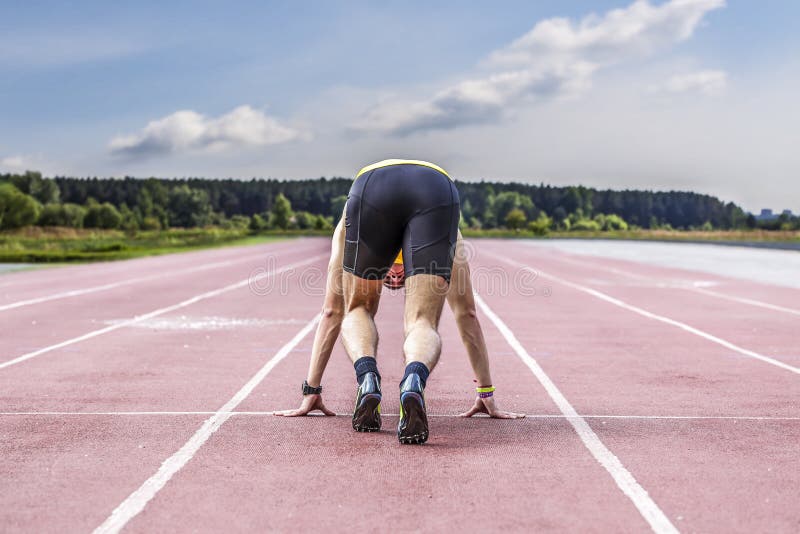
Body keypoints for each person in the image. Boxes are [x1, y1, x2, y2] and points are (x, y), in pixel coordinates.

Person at [275, 159, 523, 443]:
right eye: (390, 275)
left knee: (358, 308)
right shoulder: (451, 235)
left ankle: (367, 377)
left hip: (371, 187)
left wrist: (312, 391)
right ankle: (413, 379)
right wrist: (486, 392)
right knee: (422, 321)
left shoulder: (347, 227)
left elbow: (333, 310)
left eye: (397, 275)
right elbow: (466, 314)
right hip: (436, 189)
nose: (394, 280)